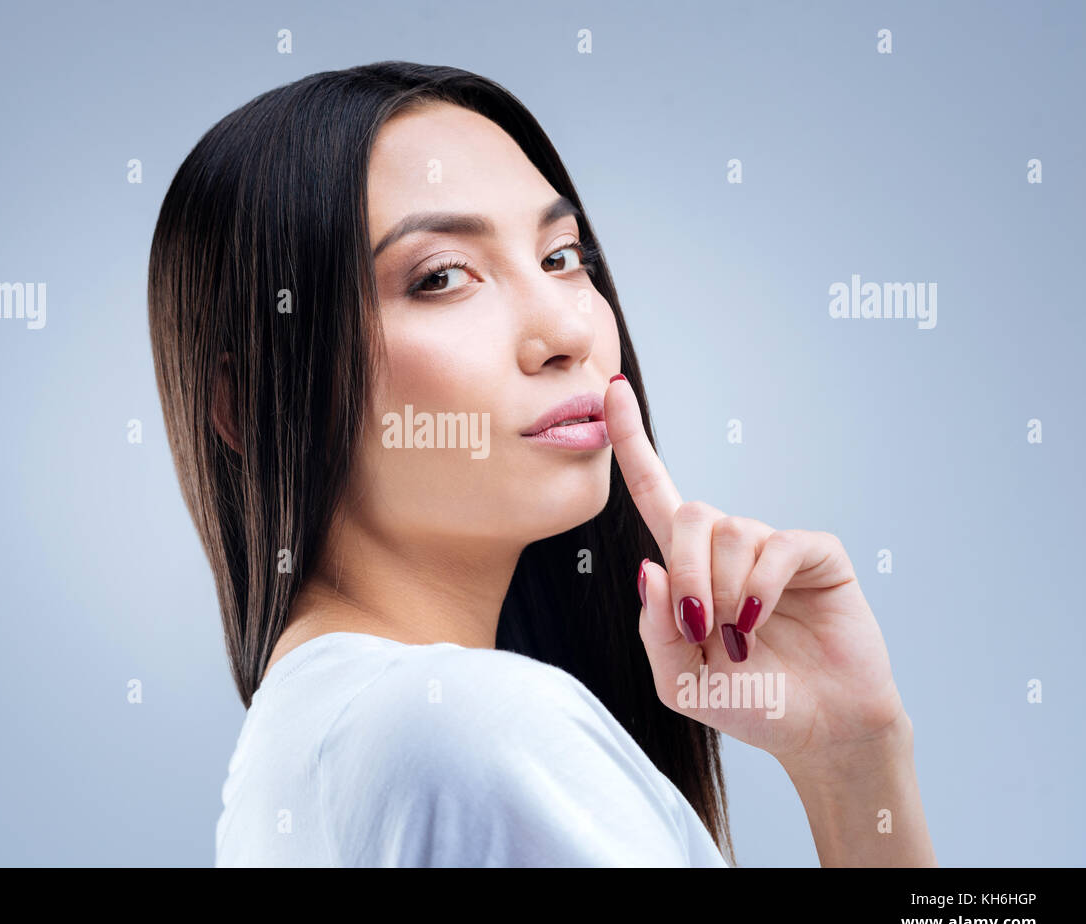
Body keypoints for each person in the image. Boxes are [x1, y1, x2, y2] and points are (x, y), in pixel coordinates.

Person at [147, 61, 936, 867]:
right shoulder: (467, 724)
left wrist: (852, 763)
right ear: (251, 402)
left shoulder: (304, 749)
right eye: (442, 277)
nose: (567, 329)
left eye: (562, 255)